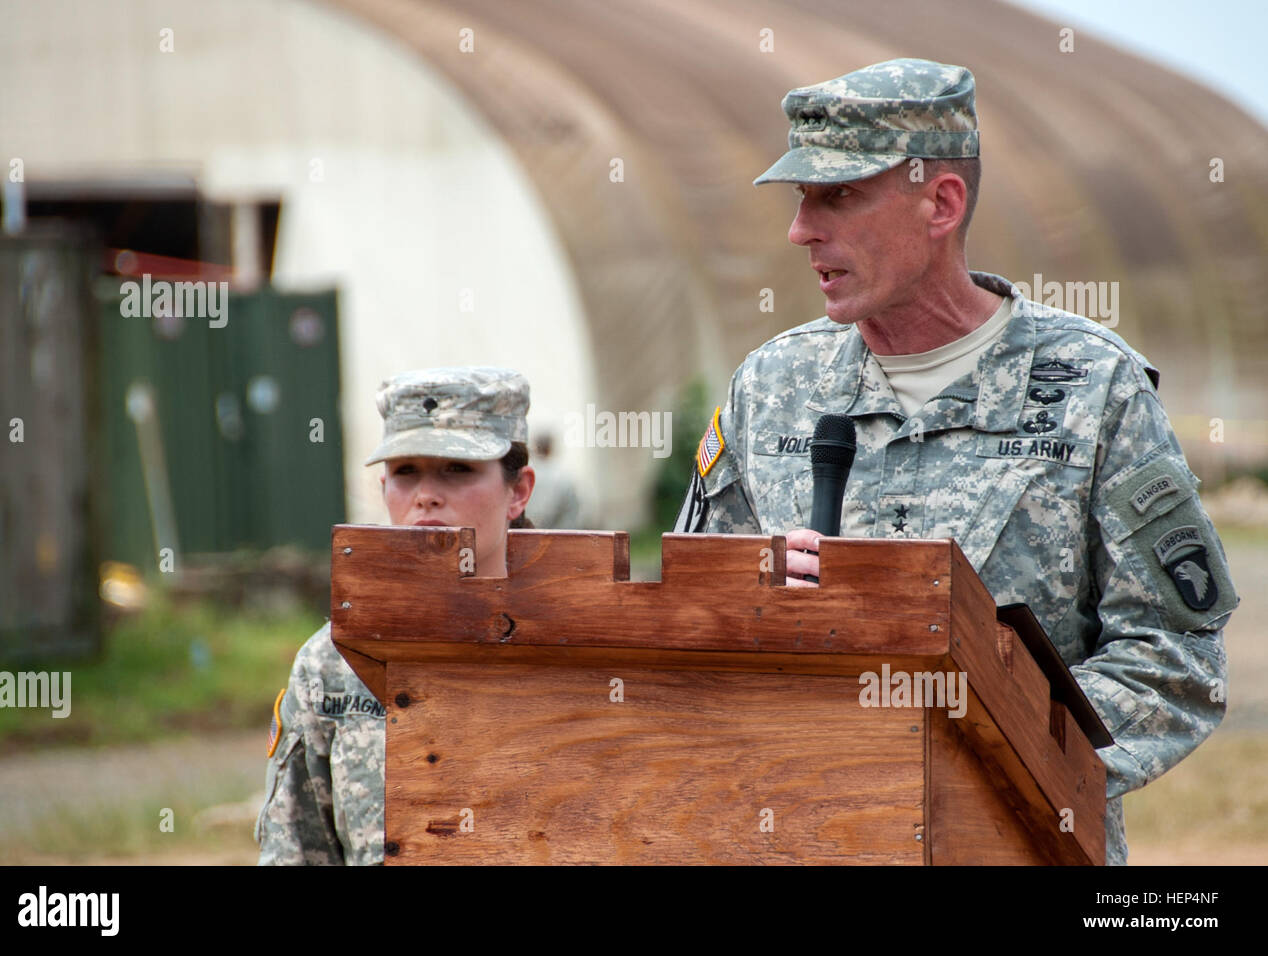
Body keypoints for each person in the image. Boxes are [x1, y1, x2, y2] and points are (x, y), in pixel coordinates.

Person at [674, 58, 1236, 866]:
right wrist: (749, 594)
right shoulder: (772, 387)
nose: (800, 230)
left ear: (940, 203)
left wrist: (993, 753)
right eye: (800, 199)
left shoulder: (1090, 386)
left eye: (837, 195)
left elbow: (1174, 657)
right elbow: (684, 622)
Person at [255, 366, 535, 865]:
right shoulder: (332, 663)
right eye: (406, 472)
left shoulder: (574, 648)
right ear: (383, 487)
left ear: (518, 491)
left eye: (457, 468)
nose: (426, 494)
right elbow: (296, 852)